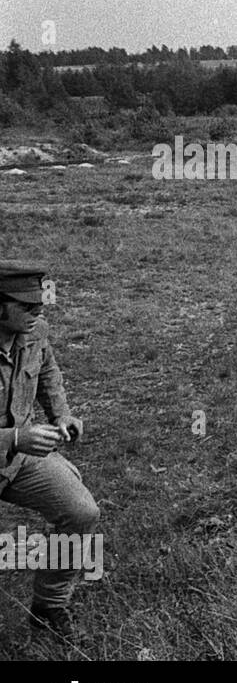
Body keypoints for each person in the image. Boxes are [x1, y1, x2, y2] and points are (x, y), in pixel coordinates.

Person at [0, 261, 98, 642]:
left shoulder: (35, 331)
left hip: (19, 462)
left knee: (81, 512)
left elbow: (47, 371)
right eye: (26, 306)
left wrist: (62, 414)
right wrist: (14, 439)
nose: (37, 311)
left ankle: (49, 609)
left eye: (38, 303)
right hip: (14, 448)